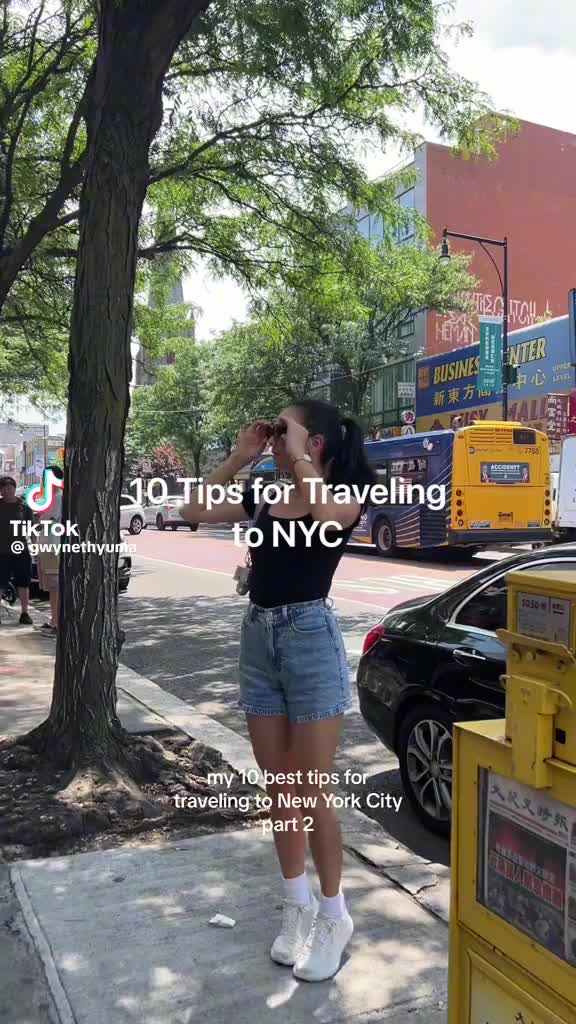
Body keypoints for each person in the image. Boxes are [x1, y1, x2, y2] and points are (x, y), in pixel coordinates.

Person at [181, 399, 375, 982]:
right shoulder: (265, 495)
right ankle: (297, 907)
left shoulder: (341, 494)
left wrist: (298, 458)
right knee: (281, 789)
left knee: (310, 790)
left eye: (284, 428)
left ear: (315, 442)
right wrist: (238, 457)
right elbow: (192, 508)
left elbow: (330, 519)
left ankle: (334, 916)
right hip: (259, 641)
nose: (273, 438)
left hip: (311, 637)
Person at [0, 475, 34, 625]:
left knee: (24, 583)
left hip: (21, 552)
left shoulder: (24, 507)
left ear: (14, 488)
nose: (7, 490)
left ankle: (25, 613)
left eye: (10, 487)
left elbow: (32, 530)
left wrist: (35, 548)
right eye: (4, 488)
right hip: (1, 553)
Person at [35, 465, 64, 637]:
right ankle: (53, 620)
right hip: (46, 543)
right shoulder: (50, 498)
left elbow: (47, 519)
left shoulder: (58, 498)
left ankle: (57, 623)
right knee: (50, 586)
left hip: (53, 545)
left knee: (55, 585)